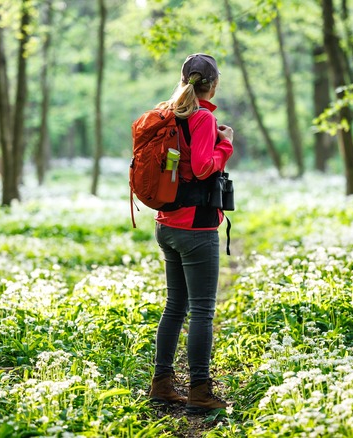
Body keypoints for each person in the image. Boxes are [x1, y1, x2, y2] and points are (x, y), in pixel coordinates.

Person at [147, 53, 234, 414]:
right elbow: (201, 168)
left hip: (166, 224)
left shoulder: (168, 112)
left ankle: (162, 383)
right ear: (212, 84)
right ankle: (200, 390)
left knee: (175, 306)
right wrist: (225, 144)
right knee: (201, 311)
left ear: (184, 80)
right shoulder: (201, 118)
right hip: (195, 228)